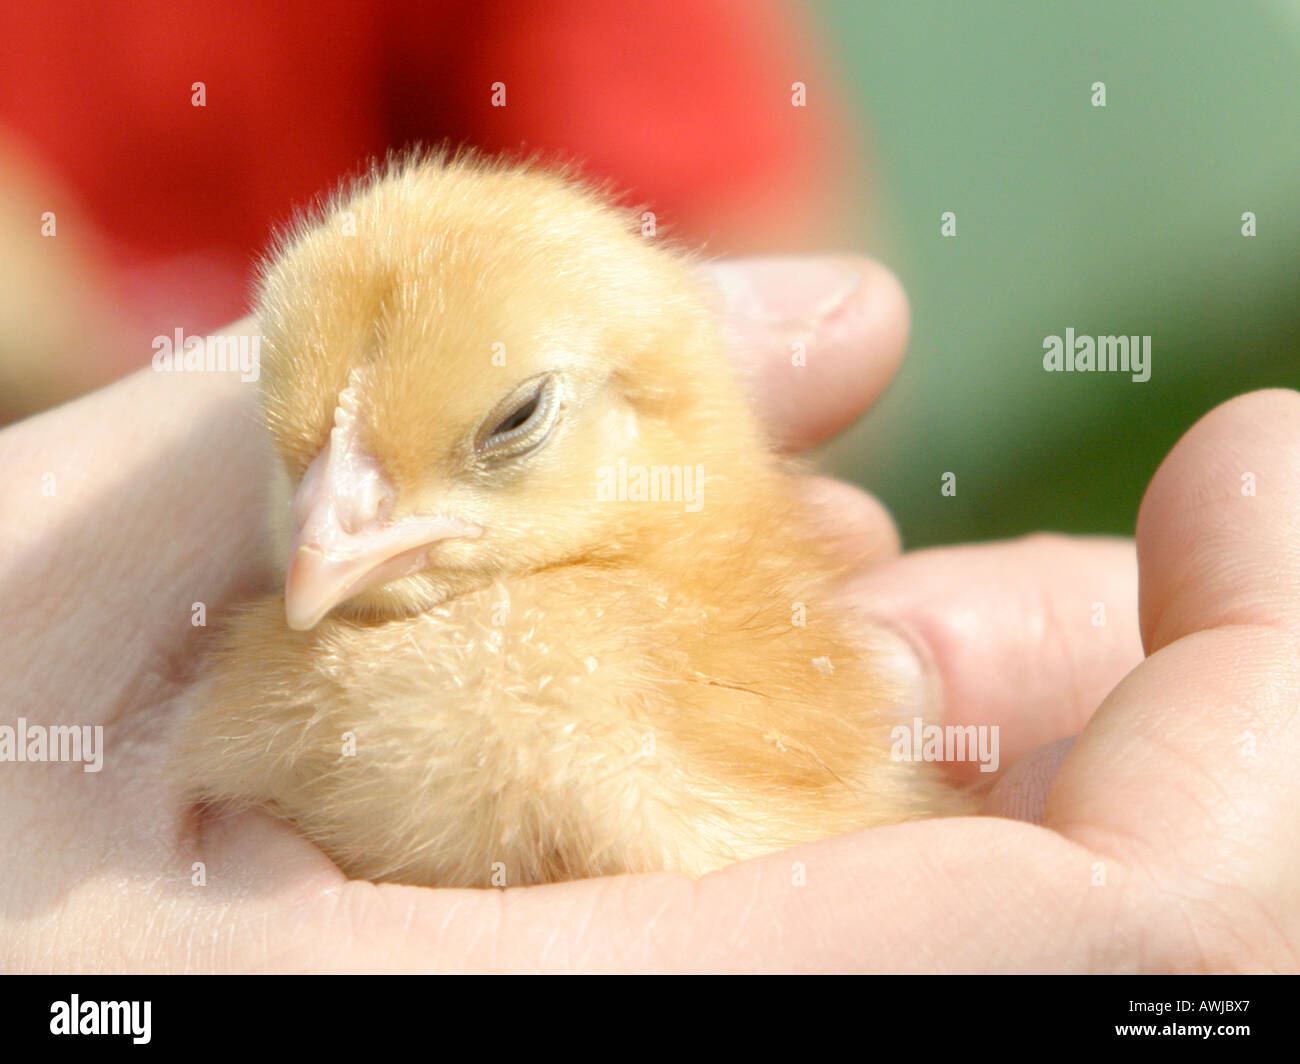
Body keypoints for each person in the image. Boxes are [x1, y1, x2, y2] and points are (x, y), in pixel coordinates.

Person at [0, 255, 1294, 972]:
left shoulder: (711, 663)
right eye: (300, 470)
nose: (327, 532)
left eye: (509, 428)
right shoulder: (257, 692)